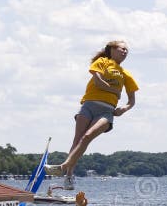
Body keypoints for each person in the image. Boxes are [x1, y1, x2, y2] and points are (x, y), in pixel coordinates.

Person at [46, 40, 138, 190]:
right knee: (77, 139)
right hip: (89, 105)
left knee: (87, 136)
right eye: (122, 49)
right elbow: (99, 82)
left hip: (106, 111)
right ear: (112, 49)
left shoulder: (126, 74)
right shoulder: (102, 62)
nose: (125, 52)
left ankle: (63, 167)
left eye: (127, 50)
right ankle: (69, 176)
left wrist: (124, 108)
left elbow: (132, 101)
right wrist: (115, 91)